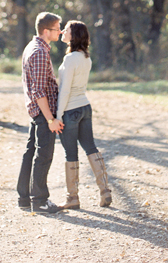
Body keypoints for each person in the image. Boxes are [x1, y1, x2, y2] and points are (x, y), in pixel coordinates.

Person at [56, 20, 112, 209]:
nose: (63, 31)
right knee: (91, 147)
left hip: (70, 110)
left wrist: (57, 115)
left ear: (75, 35)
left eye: (67, 29)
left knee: (70, 152)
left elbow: (64, 90)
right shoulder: (85, 58)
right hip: (85, 107)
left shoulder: (70, 59)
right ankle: (105, 191)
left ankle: (73, 198)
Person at [17, 11, 65, 214]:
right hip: (42, 113)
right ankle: (40, 201)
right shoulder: (38, 52)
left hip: (36, 112)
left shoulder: (35, 47)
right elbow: (38, 90)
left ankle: (25, 198)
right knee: (43, 155)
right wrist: (50, 118)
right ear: (46, 31)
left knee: (31, 152)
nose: (60, 32)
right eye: (57, 29)